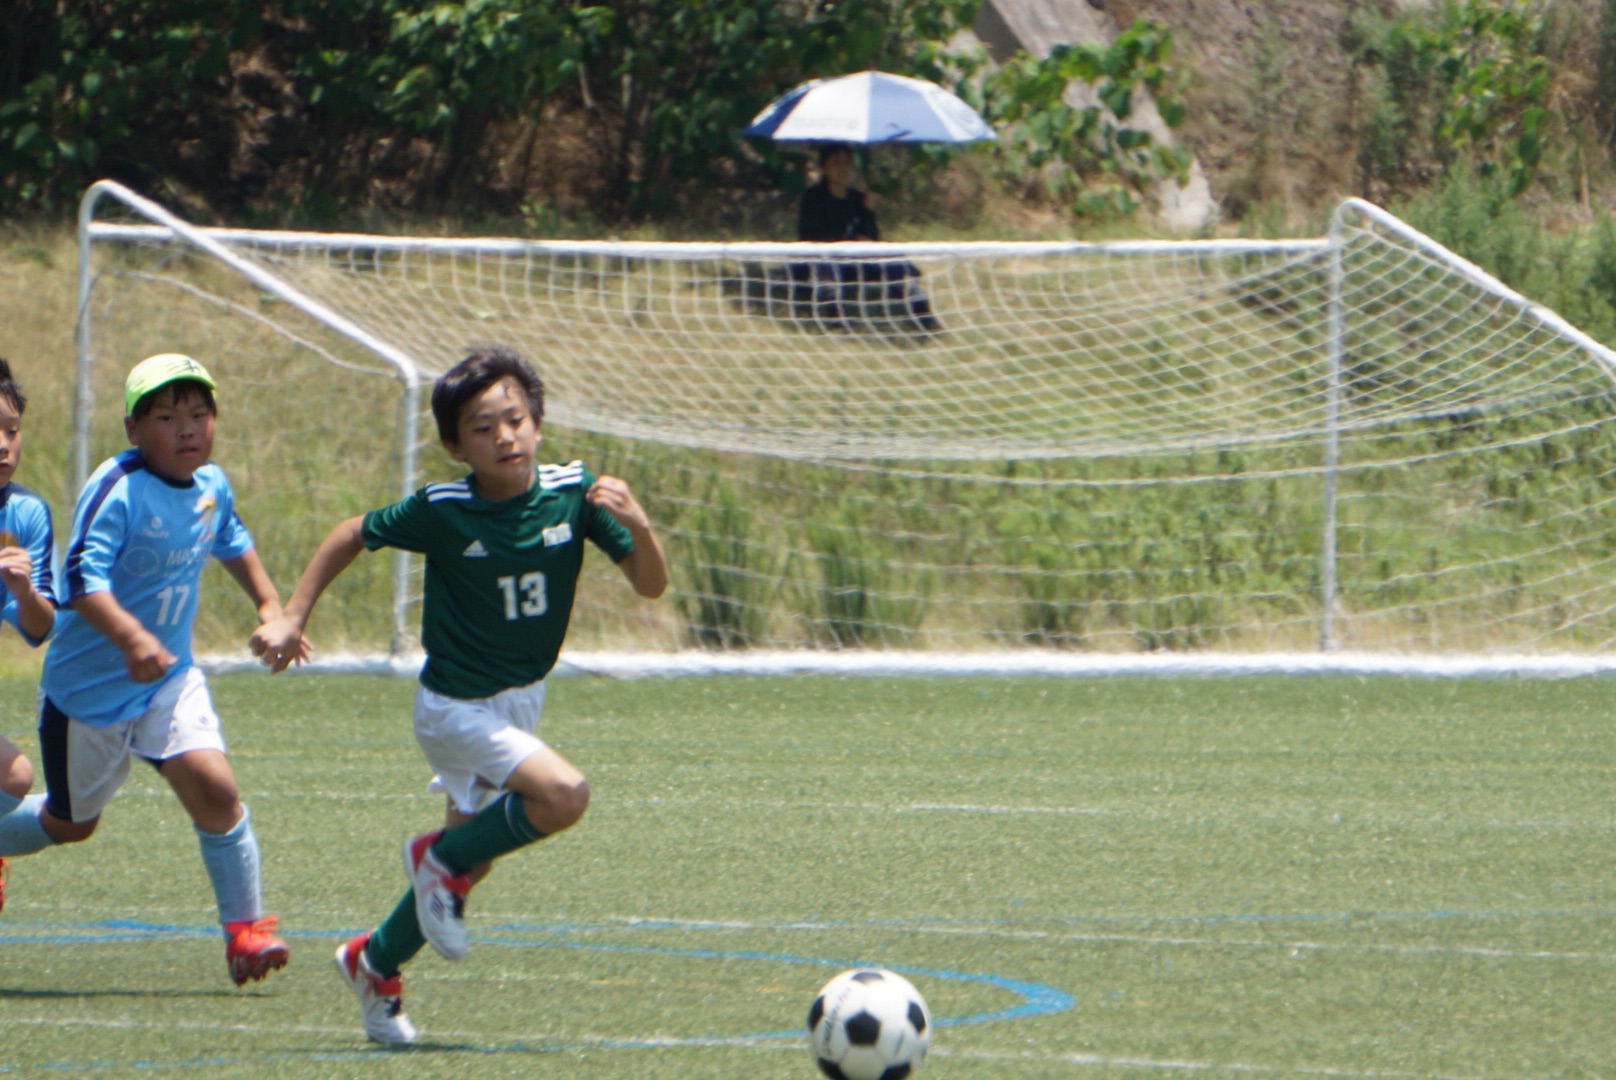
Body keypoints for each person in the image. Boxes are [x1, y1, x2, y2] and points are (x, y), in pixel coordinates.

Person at [249, 345, 668, 1045]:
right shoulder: (444, 509)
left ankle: (373, 961)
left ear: (536, 420)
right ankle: (433, 862)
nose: (505, 436)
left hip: (519, 699)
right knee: (563, 797)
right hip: (452, 708)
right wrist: (293, 615)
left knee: (472, 854)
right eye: (483, 427)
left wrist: (641, 522)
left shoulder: (574, 493)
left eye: (515, 418)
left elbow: (650, 584)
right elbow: (352, 532)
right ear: (454, 445)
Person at [0, 352, 299, 986]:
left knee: (216, 788)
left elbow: (234, 542)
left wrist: (272, 608)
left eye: (198, 413)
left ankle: (245, 933)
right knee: (71, 825)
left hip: (168, 679)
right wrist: (132, 640)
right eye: (166, 416)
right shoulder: (117, 487)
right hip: (88, 696)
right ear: (133, 429)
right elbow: (82, 581)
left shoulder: (212, 485)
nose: (187, 427)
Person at [0, 358, 58, 916]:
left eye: (12, 430)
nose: (3, 444)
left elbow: (40, 630)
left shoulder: (27, 515)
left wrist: (22, 592)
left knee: (19, 780)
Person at [794, 142, 940, 334]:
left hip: (857, 260)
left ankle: (923, 317)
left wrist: (867, 211)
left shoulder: (858, 199)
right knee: (827, 271)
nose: (842, 169)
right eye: (836, 163)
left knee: (894, 260)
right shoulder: (812, 198)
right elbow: (810, 236)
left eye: (847, 163)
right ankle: (836, 323)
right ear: (824, 167)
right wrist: (847, 241)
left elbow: (872, 236)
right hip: (825, 258)